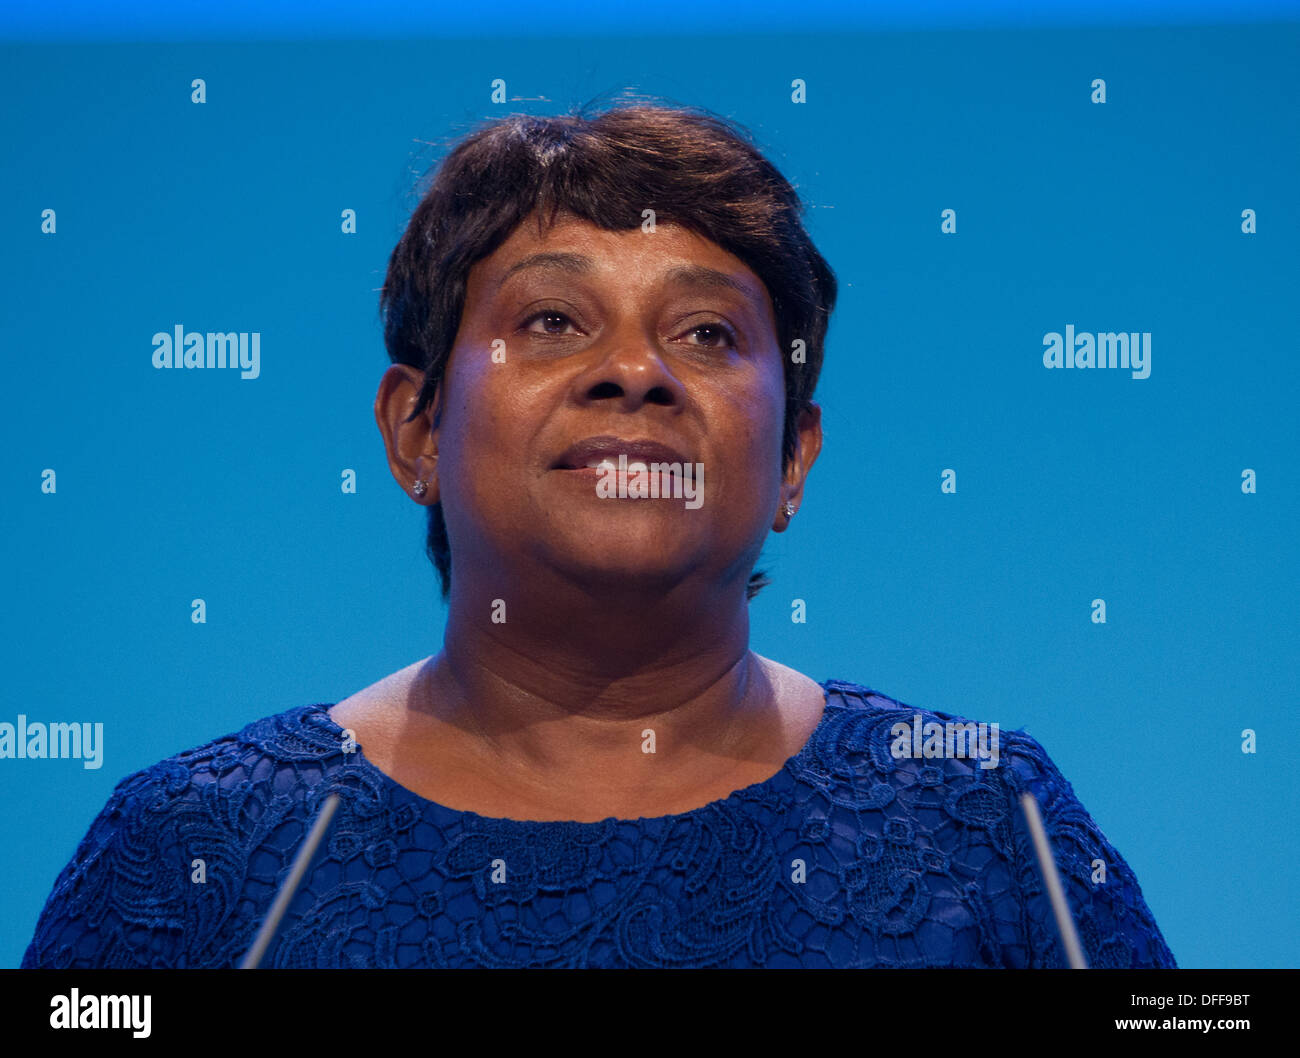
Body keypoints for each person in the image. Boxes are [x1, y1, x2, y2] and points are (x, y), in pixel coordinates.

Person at [22, 102, 1175, 969]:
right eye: (554, 319)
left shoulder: (986, 814)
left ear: (794, 459)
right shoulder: (193, 846)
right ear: (413, 428)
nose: (635, 371)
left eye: (709, 333)